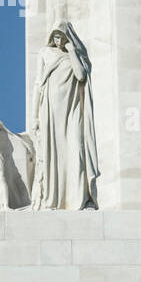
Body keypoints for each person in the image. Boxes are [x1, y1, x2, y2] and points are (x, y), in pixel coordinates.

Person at [31, 21, 99, 209]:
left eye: (62, 36)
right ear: (51, 37)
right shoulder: (45, 53)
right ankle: (54, 199)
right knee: (53, 152)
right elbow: (38, 84)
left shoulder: (74, 56)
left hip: (72, 110)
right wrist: (34, 115)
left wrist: (71, 51)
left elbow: (81, 76)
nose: (59, 40)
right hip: (51, 110)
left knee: (76, 148)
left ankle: (78, 199)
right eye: (56, 36)